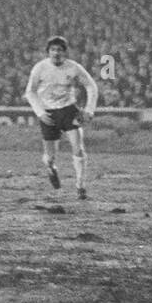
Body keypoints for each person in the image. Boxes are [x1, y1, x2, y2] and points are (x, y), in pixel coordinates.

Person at [24, 36, 99, 200]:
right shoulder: (39, 68)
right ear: (48, 52)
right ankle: (51, 168)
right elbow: (30, 92)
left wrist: (89, 110)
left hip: (69, 111)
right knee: (49, 157)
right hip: (48, 113)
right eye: (53, 50)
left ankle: (80, 186)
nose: (56, 53)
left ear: (65, 52)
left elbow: (91, 86)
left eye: (59, 50)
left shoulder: (74, 68)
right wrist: (40, 113)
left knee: (78, 148)